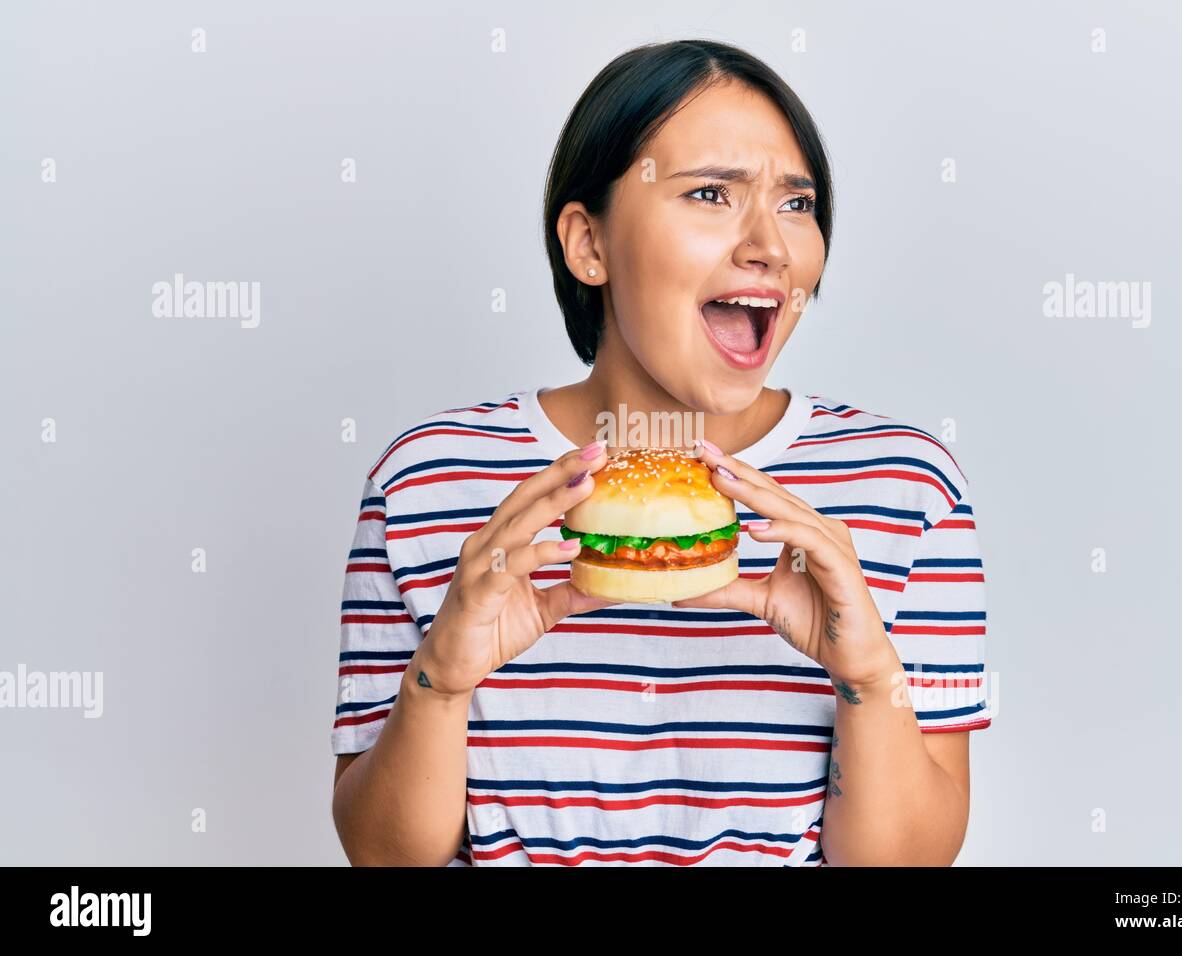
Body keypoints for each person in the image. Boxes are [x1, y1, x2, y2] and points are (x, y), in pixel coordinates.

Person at [330, 39, 991, 867]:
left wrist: (866, 677)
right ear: (588, 245)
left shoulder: (908, 487)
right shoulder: (426, 480)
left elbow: (905, 863)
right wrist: (440, 682)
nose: (772, 249)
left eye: (796, 203)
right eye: (711, 193)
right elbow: (386, 859)